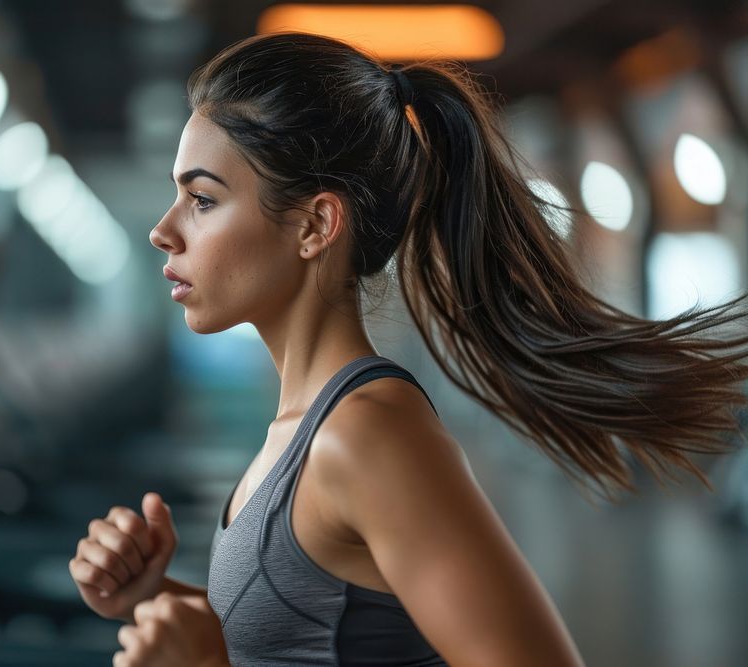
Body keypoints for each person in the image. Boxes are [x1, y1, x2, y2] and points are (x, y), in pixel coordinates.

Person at [69, 31, 748, 666]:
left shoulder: (366, 436)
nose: (163, 231)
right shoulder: (304, 427)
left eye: (203, 200)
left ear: (315, 224)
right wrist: (155, 598)